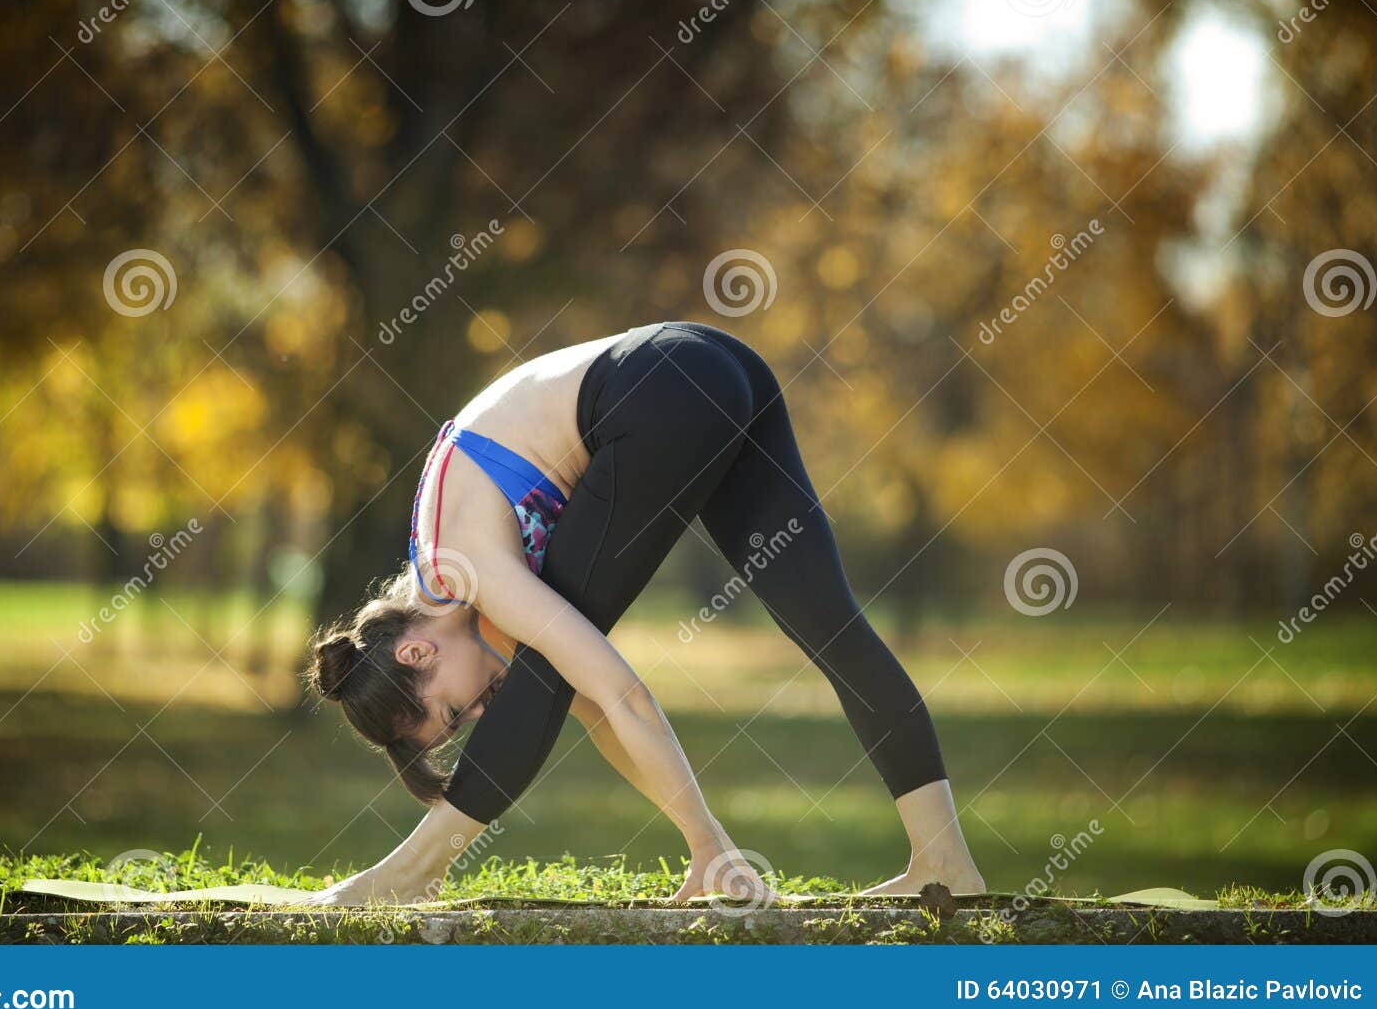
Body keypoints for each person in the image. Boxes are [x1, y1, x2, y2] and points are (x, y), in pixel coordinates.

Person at [307, 321, 984, 903]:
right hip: (717, 368)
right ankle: (945, 863)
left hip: (661, 392)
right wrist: (708, 841)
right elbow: (601, 710)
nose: (476, 712)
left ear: (415, 652)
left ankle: (414, 869)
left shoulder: (466, 563)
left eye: (451, 712)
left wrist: (707, 847)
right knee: (835, 630)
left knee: (546, 674)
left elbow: (620, 693)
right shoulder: (463, 594)